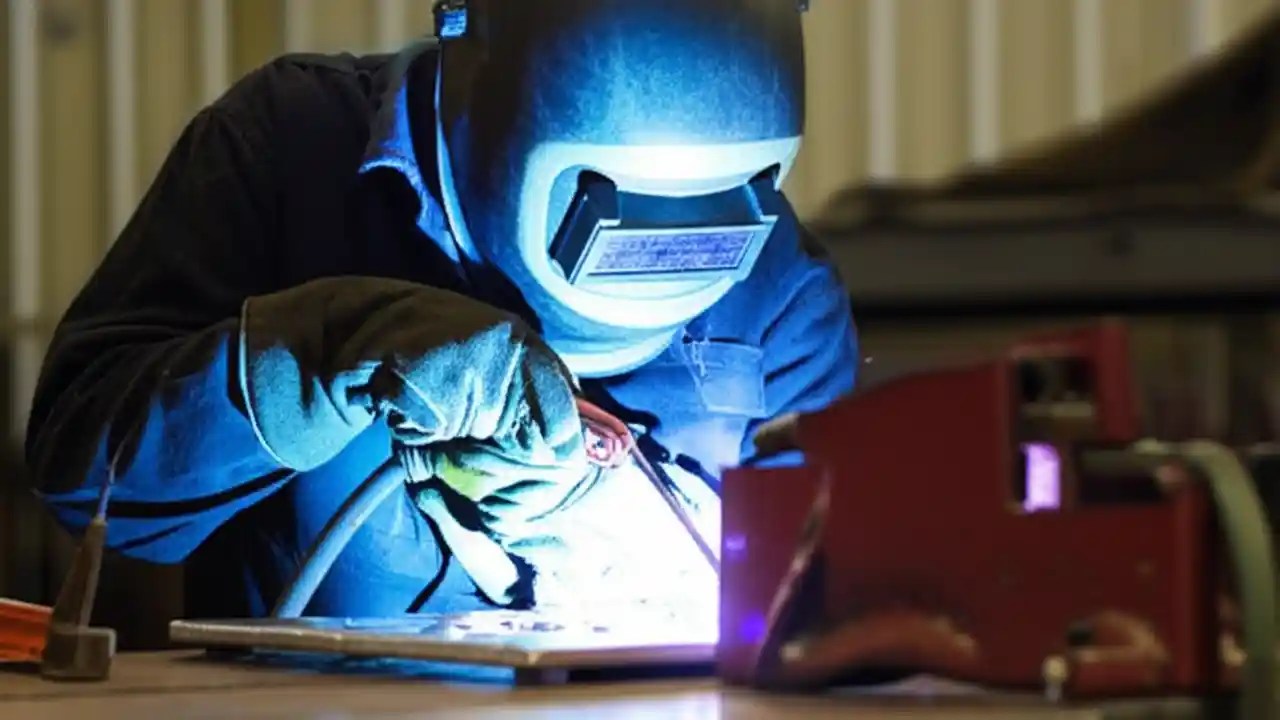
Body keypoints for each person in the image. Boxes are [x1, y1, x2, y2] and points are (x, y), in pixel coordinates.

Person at [23, 0, 857, 619]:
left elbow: (818, 606)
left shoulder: (782, 291)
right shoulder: (291, 149)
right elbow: (81, 480)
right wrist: (324, 350)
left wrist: (594, 519)